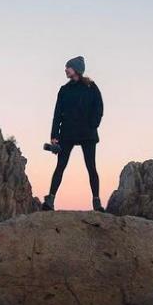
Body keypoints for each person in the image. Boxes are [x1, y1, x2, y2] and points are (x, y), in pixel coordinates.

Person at [42, 55, 104, 211]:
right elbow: (57, 114)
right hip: (67, 133)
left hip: (87, 133)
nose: (65, 70)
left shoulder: (91, 87)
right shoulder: (64, 90)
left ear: (76, 69)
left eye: (68, 67)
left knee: (91, 167)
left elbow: (99, 107)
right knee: (60, 166)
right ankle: (50, 200)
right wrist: (54, 136)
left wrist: (93, 124)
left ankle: (97, 203)